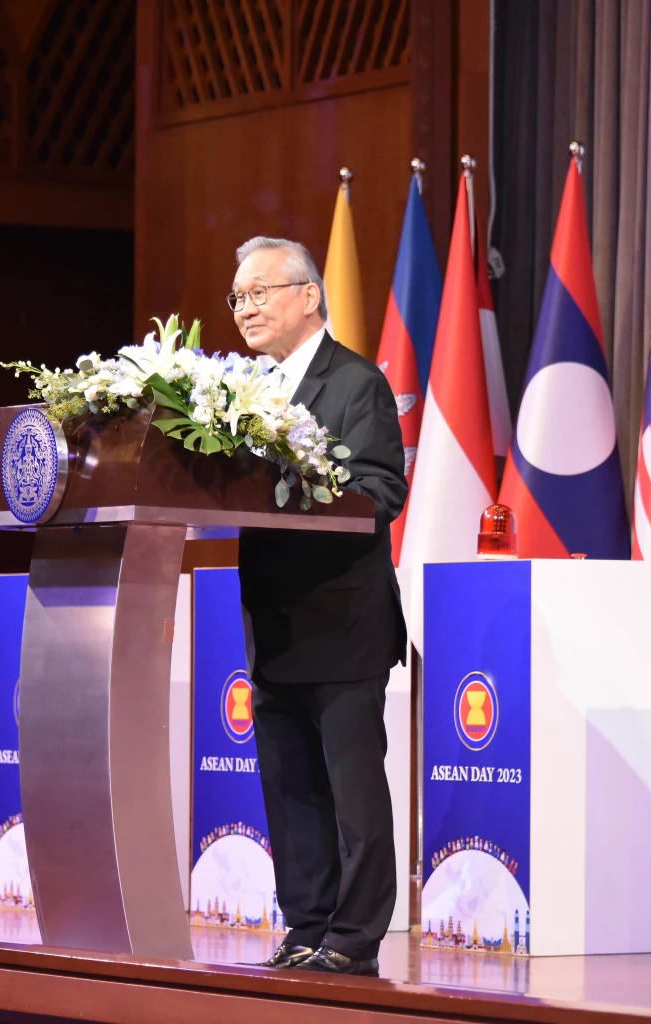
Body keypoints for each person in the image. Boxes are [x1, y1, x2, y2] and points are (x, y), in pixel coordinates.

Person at [229, 237, 408, 977]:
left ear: (309, 295)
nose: (246, 308)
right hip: (275, 625)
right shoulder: (245, 394)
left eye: (260, 292)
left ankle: (354, 935)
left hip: (342, 622)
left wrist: (302, 487)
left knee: (352, 792)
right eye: (237, 298)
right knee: (292, 790)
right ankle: (307, 925)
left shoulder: (355, 384)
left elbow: (379, 490)